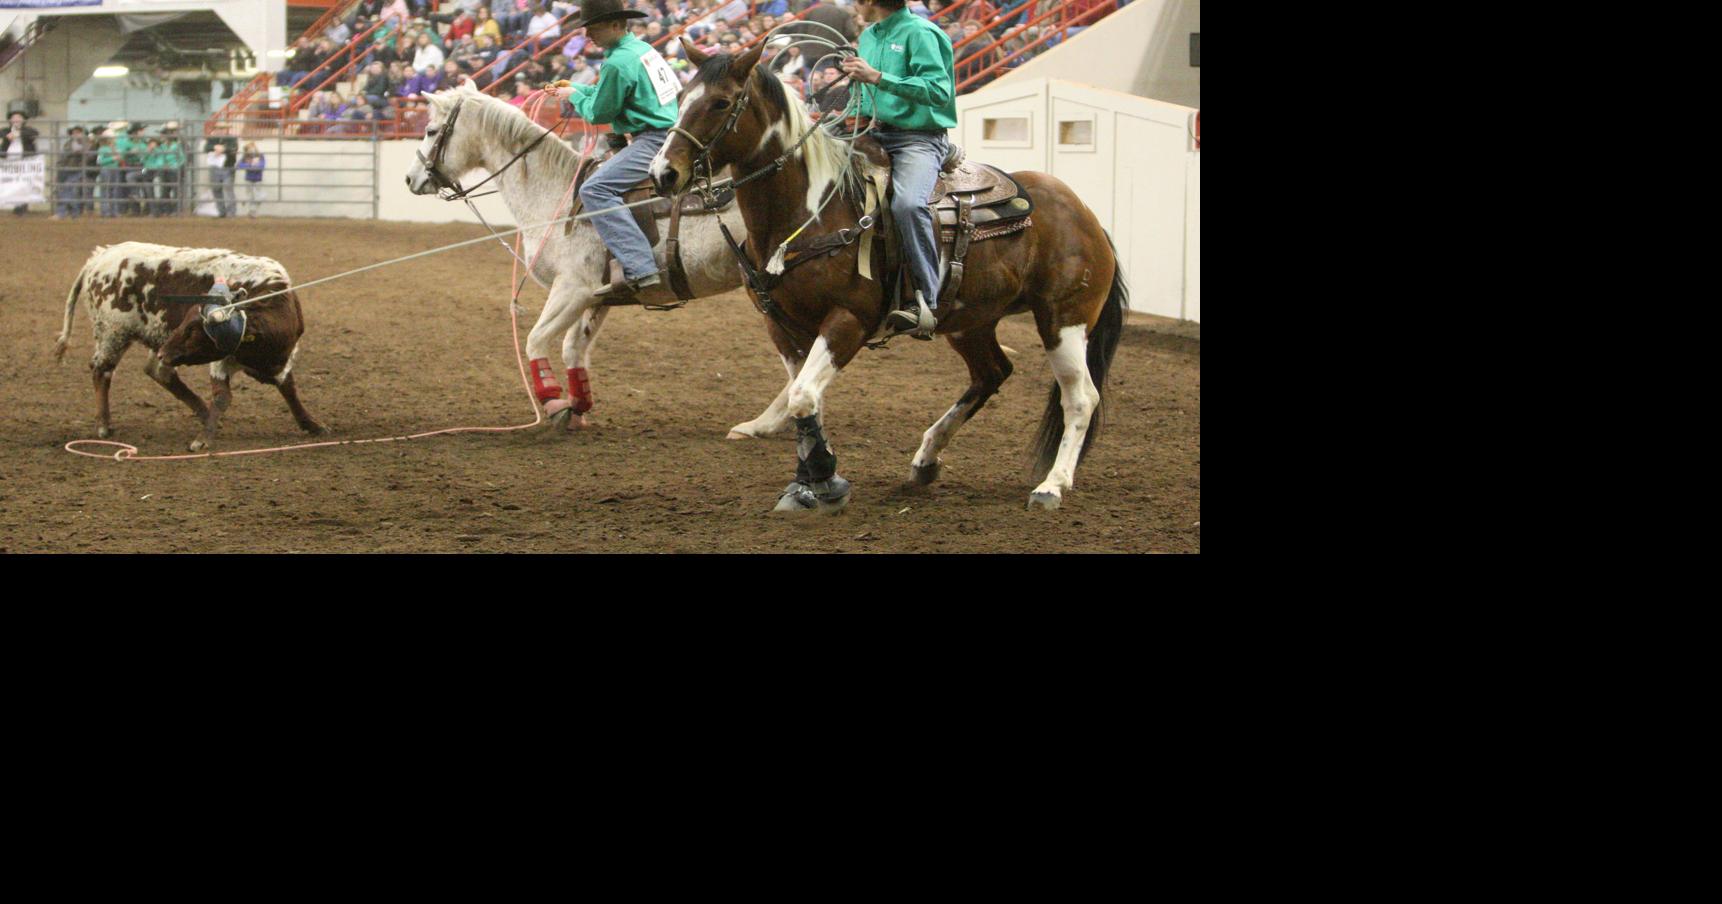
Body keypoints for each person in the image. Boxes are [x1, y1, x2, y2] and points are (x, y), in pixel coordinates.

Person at [547, 0, 679, 298]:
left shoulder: (617, 63)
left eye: (593, 27)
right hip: (668, 133)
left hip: (652, 140)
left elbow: (600, 114)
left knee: (594, 190)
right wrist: (577, 90)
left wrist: (575, 98)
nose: (588, 34)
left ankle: (640, 266)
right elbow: (611, 94)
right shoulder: (642, 50)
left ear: (616, 25)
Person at [841, 0, 956, 338]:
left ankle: (926, 299)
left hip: (917, 139)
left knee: (908, 204)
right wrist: (849, 112)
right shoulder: (869, 36)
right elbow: (864, 93)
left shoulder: (922, 33)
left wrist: (877, 77)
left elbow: (938, 90)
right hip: (872, 132)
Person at [2, 111, 39, 215]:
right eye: (14, 117)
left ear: (23, 120)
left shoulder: (29, 130)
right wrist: (7, 138)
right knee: (11, 184)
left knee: (24, 184)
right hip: (8, 163)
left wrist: (19, 133)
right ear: (10, 120)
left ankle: (22, 207)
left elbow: (35, 134)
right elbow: (2, 139)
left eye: (19, 117)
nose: (16, 119)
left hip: (25, 162)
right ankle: (15, 205)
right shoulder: (4, 131)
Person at [54, 125, 92, 219]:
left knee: (69, 189)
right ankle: (74, 213)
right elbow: (62, 157)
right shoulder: (68, 143)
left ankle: (62, 212)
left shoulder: (88, 144)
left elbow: (89, 156)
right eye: (74, 132)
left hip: (77, 170)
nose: (76, 134)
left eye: (79, 132)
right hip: (65, 169)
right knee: (66, 190)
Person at [204, 127, 239, 218]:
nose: (221, 130)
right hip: (215, 167)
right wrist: (215, 147)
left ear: (226, 130)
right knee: (216, 189)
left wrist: (223, 149)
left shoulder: (232, 138)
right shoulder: (212, 139)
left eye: (223, 128)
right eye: (219, 129)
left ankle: (231, 212)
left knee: (228, 189)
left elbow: (233, 148)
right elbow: (206, 148)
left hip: (228, 167)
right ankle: (221, 211)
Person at [237, 143, 266, 217]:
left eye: (251, 148)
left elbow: (262, 166)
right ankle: (252, 212)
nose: (251, 150)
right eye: (248, 149)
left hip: (258, 179)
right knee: (250, 196)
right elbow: (239, 165)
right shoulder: (245, 156)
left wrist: (251, 166)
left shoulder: (260, 155)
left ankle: (249, 206)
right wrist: (250, 165)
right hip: (248, 178)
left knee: (259, 196)